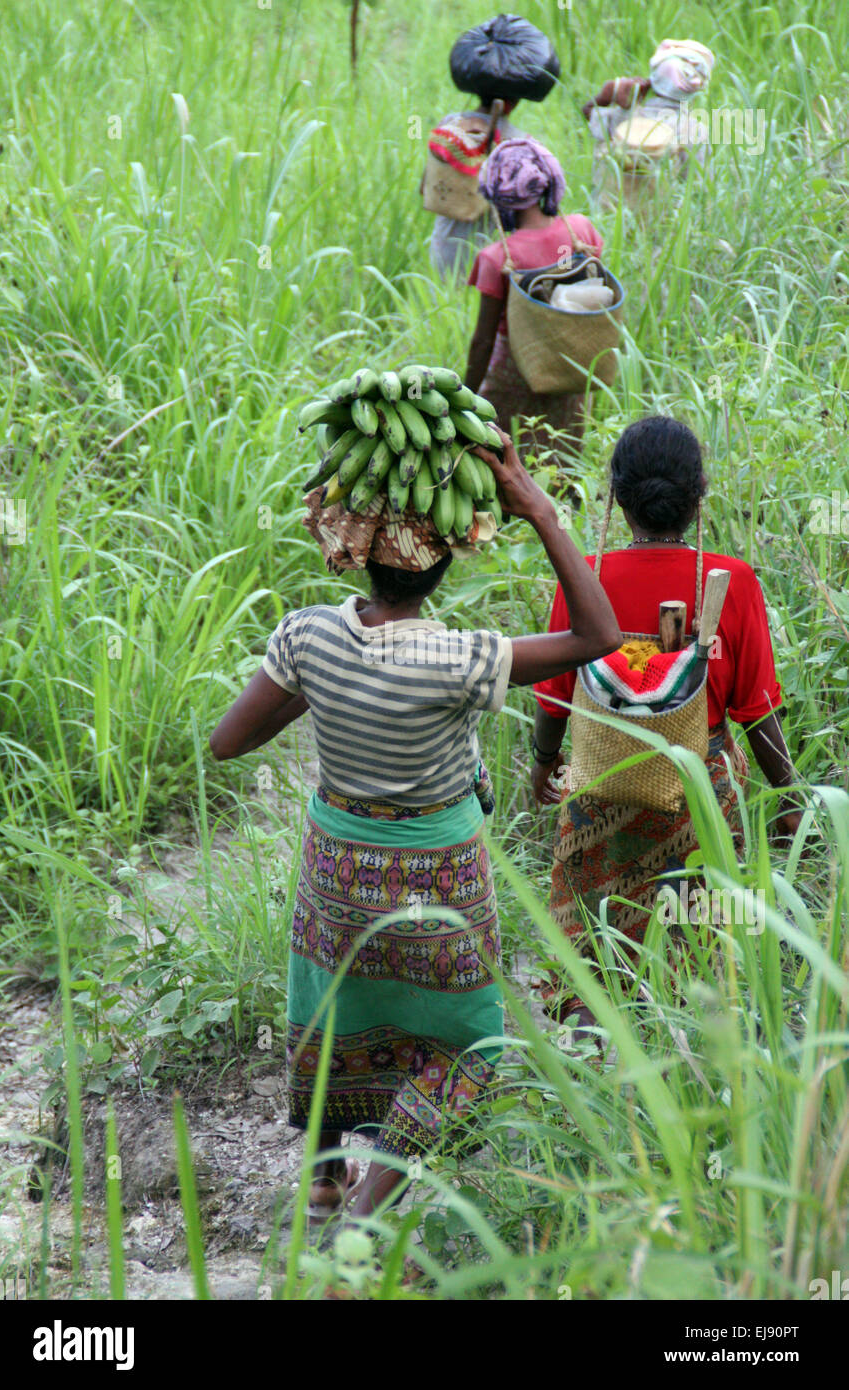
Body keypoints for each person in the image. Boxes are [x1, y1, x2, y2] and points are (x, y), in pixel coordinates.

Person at [209, 434, 620, 1217]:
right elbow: (596, 637)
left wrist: (324, 685)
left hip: (339, 872)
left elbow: (229, 743)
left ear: (361, 556)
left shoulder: (308, 637)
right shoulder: (460, 659)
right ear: (445, 563)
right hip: (439, 877)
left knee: (337, 1009)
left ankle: (325, 1176)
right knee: (467, 1044)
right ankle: (369, 1208)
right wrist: (535, 506)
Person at [529, 416, 803, 1025]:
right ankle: (689, 1072)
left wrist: (544, 766)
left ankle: (594, 1071)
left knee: (593, 960)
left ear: (617, 496)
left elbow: (553, 700)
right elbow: (756, 712)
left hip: (597, 791)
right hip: (698, 799)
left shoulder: (587, 577)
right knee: (699, 958)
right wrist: (789, 800)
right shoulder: (732, 582)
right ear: (699, 492)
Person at [464, 136, 605, 490]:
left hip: (515, 371)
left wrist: (465, 398)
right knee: (561, 455)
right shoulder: (581, 231)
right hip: (569, 365)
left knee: (500, 463)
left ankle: (509, 527)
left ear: (496, 197)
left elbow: (483, 341)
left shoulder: (498, 257)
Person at [583, 39, 715, 208]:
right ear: (696, 90)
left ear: (654, 78)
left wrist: (608, 93)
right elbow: (701, 188)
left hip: (614, 216)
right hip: (664, 222)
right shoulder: (695, 131)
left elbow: (586, 112)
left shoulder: (625, 117)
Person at [426, 98, 522, 283]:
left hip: (443, 246)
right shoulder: (520, 140)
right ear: (516, 99)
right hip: (489, 256)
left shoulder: (448, 124)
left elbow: (427, 185)